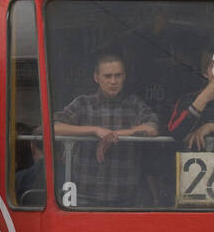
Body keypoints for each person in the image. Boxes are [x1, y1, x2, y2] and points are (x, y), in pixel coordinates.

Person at [53, 51, 158, 208]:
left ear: (124, 77)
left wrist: (112, 135)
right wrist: (95, 130)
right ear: (96, 77)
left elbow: (152, 128)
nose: (113, 81)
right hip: (84, 197)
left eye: (118, 75)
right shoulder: (83, 103)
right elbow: (54, 127)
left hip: (126, 199)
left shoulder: (134, 105)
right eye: (108, 76)